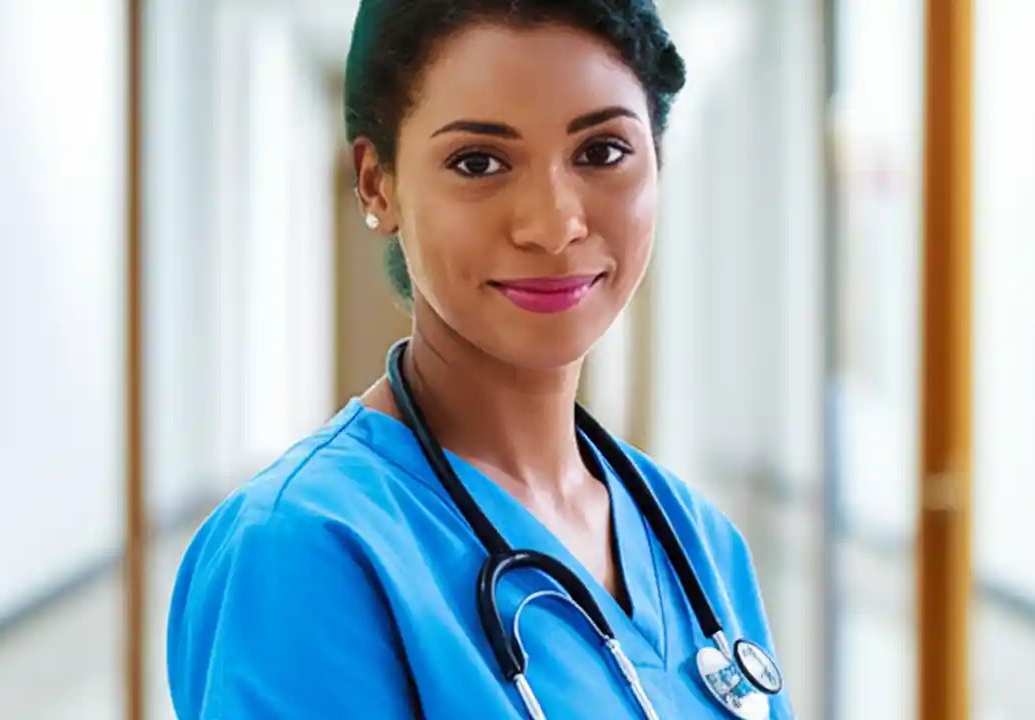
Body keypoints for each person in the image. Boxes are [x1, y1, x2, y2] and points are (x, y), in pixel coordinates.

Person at [167, 1, 793, 717]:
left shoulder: (698, 543)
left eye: (601, 152)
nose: (554, 225)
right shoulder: (304, 551)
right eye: (479, 162)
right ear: (378, 183)